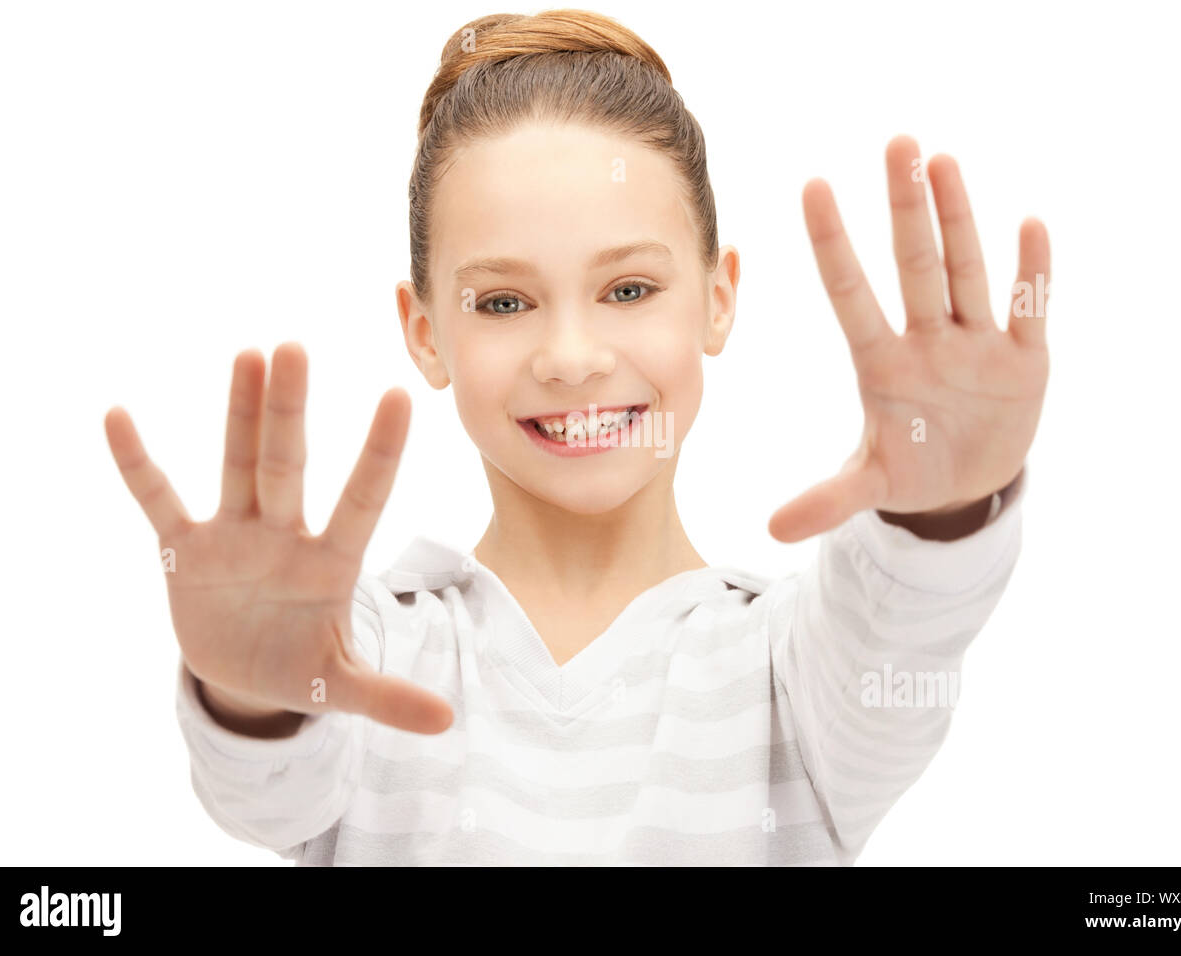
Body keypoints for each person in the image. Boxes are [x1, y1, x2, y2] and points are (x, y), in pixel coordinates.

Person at [104, 8, 1049, 865]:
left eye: (628, 289)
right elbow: (267, 792)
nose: (570, 356)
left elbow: (902, 630)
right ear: (425, 330)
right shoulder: (368, 651)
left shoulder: (796, 673)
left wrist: (944, 509)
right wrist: (251, 698)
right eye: (505, 301)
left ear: (718, 300)